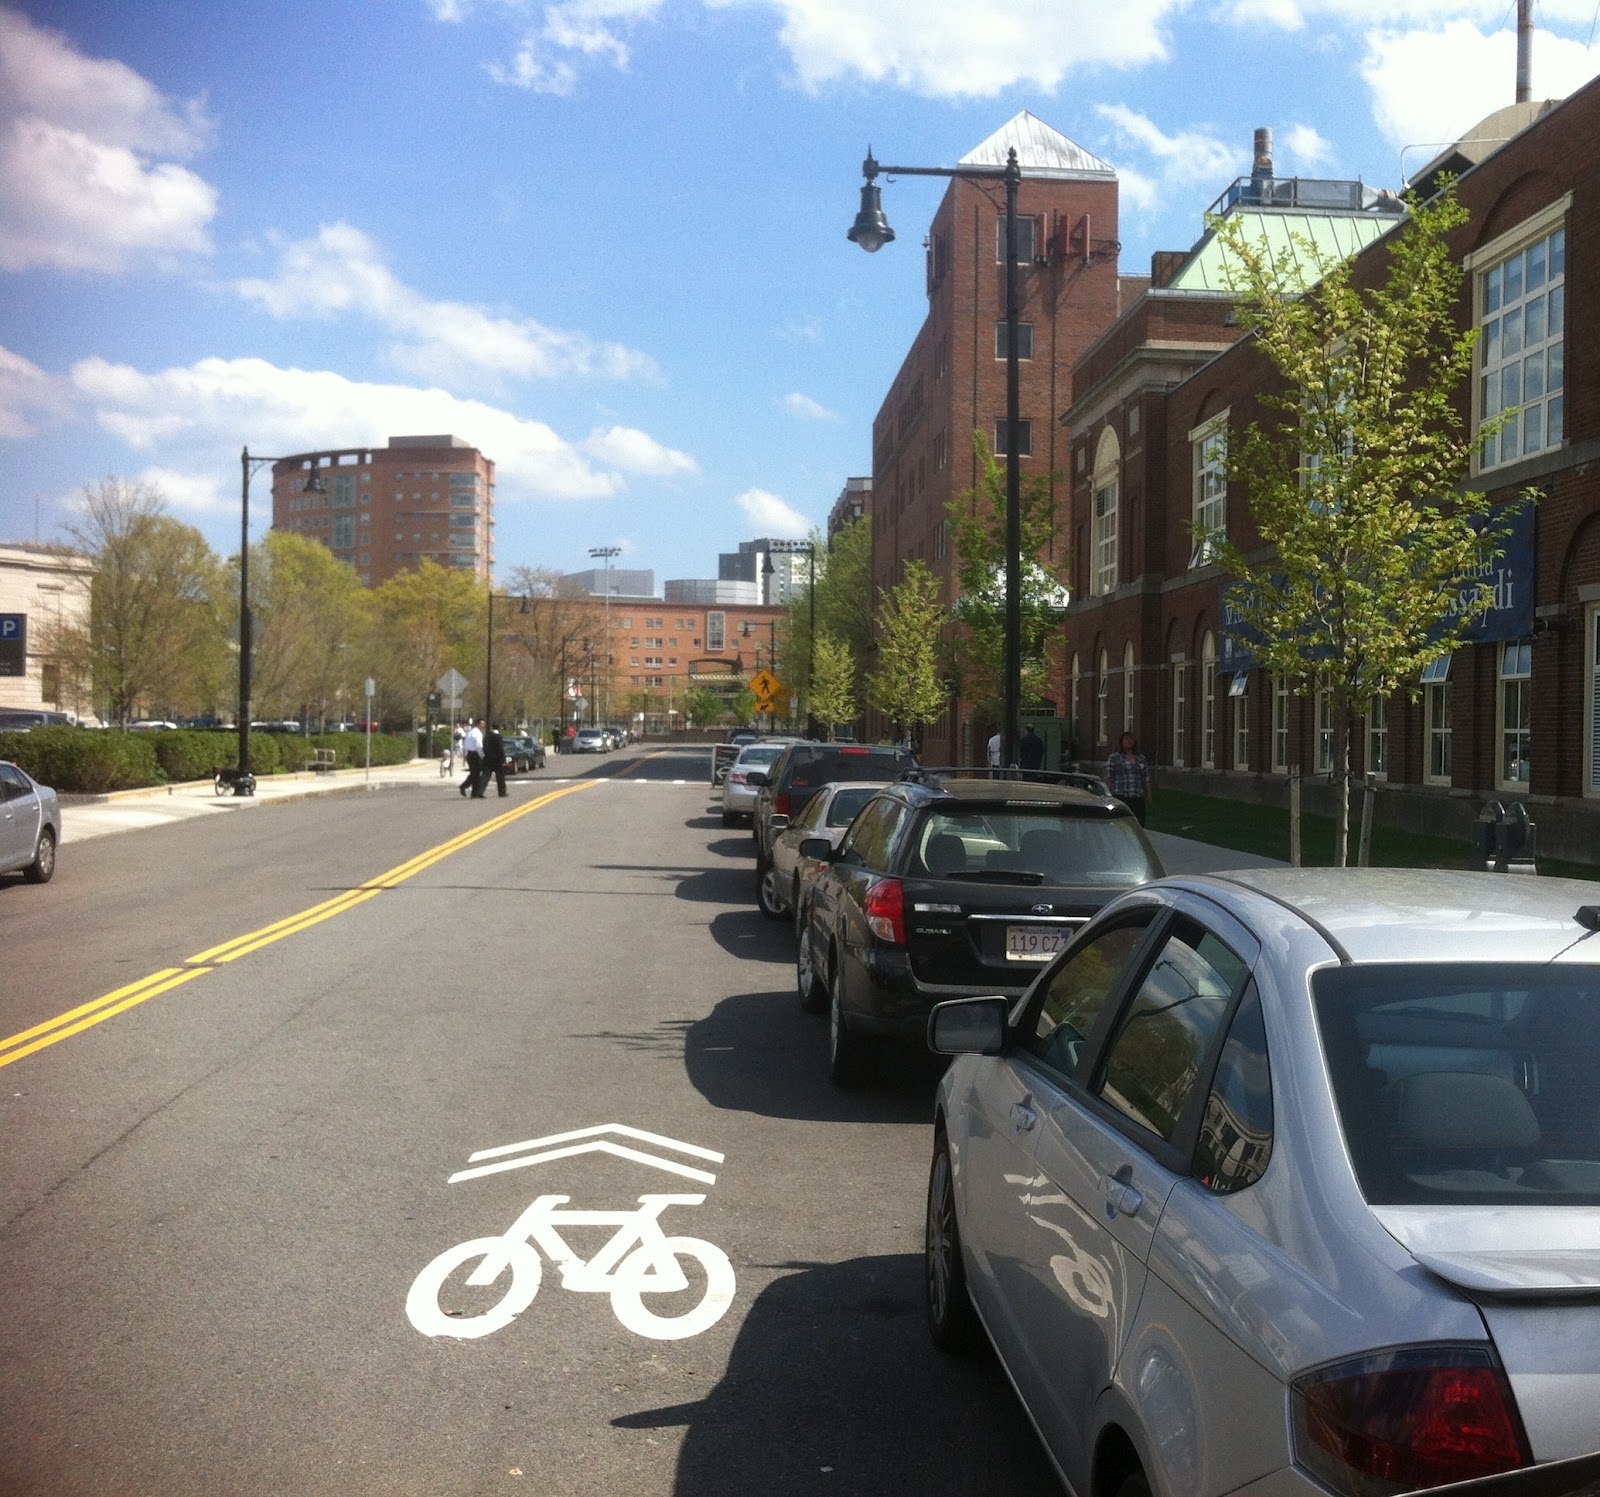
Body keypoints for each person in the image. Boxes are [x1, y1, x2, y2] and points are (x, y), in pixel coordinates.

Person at [1105, 731, 1153, 824]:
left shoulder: (1141, 758)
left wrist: (1149, 796)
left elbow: (1146, 778)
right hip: (1121, 796)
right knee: (1121, 823)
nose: (1129, 741)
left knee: (1138, 823)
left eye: (1131, 739)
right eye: (1126, 739)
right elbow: (1109, 777)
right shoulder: (1115, 757)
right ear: (1121, 742)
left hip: (1137, 797)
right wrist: (1111, 794)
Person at [482, 721, 508, 798]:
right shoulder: (498, 737)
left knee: (486, 776)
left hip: (488, 759)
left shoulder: (487, 736)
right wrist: (503, 759)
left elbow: (484, 747)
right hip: (497, 760)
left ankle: (480, 791)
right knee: (500, 777)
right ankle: (502, 792)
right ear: (499, 728)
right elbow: (501, 749)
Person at [459, 718, 484, 798]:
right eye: (482, 724)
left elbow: (465, 744)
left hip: (469, 754)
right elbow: (479, 746)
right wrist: (482, 756)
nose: (483, 725)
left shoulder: (470, 732)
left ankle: (474, 792)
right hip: (475, 754)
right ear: (478, 724)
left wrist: (465, 754)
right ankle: (474, 792)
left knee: (474, 774)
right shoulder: (478, 733)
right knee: (476, 774)